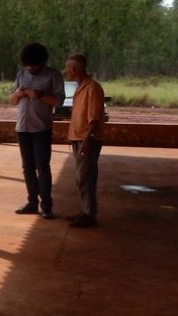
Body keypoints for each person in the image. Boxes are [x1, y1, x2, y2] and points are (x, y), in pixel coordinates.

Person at [9, 43, 65, 219]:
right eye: (29, 65)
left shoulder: (53, 75)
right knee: (27, 167)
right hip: (22, 127)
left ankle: (46, 205)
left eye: (35, 65)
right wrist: (18, 94)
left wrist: (39, 95)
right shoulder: (21, 74)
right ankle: (32, 202)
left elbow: (59, 102)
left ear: (43, 62)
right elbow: (11, 101)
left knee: (42, 166)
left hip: (41, 128)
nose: (32, 68)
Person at [63, 54, 106, 228]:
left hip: (86, 139)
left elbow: (94, 118)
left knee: (86, 177)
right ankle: (86, 210)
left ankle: (89, 214)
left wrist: (87, 140)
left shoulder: (92, 88)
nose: (66, 71)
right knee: (82, 177)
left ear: (75, 70)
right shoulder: (81, 87)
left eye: (68, 68)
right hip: (78, 137)